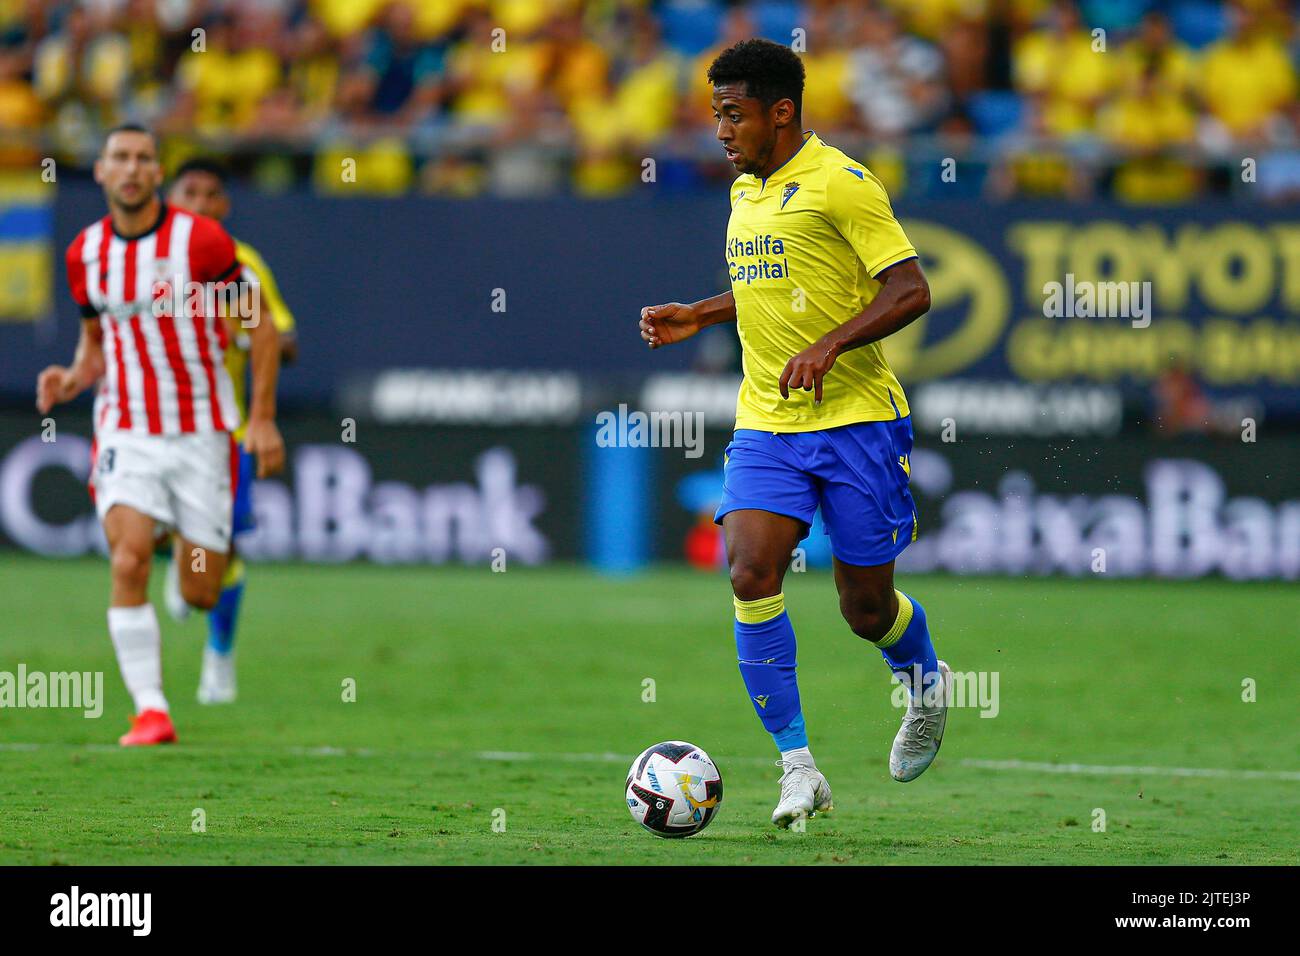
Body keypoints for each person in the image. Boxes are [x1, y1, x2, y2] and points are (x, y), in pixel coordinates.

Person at [639, 40, 948, 828]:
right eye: (714, 114)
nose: (719, 131)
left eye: (732, 114)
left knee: (865, 609)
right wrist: (699, 314)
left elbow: (911, 289)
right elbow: (769, 287)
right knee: (749, 573)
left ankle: (925, 684)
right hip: (769, 421)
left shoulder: (844, 184)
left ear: (781, 111)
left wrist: (832, 344)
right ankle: (798, 767)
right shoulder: (747, 192)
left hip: (857, 424)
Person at [36, 124, 285, 745]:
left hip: (202, 433)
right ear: (100, 171)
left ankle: (183, 550)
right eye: (119, 156)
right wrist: (72, 379)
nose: (132, 168)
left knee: (202, 589)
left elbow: (262, 327)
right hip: (127, 428)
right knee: (127, 559)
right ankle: (151, 710)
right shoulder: (84, 255)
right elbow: (96, 348)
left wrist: (260, 418)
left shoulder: (200, 243)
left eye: (144, 158)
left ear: (155, 174)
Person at [165, 157, 298, 704]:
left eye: (211, 194)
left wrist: (248, 338)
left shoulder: (239, 265)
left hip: (224, 431)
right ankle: (178, 556)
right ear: (168, 198)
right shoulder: (144, 261)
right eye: (189, 192)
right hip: (147, 423)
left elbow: (283, 338)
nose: (200, 203)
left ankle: (219, 654)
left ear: (224, 206)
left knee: (222, 546)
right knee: (135, 528)